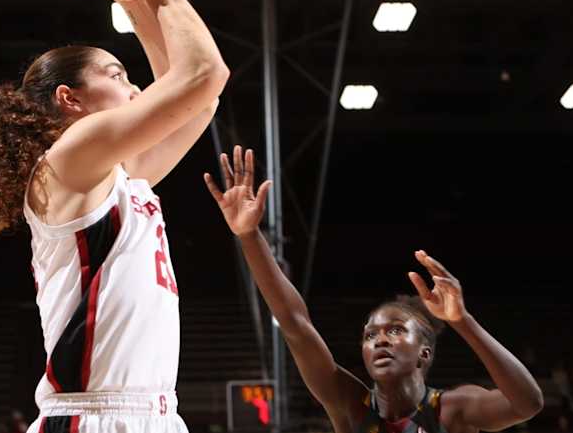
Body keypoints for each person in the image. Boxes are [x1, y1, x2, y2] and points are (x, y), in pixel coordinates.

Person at [0, 0, 229, 433]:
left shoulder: (117, 176)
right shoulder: (70, 158)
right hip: (93, 416)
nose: (135, 89)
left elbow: (202, 97)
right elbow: (204, 73)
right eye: (116, 75)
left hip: (155, 413)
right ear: (71, 99)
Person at [204, 146, 544, 433]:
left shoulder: (451, 409)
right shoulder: (350, 406)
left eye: (395, 330)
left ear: (424, 353)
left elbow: (528, 403)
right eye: (370, 335)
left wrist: (463, 320)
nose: (379, 340)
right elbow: (294, 323)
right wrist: (249, 236)